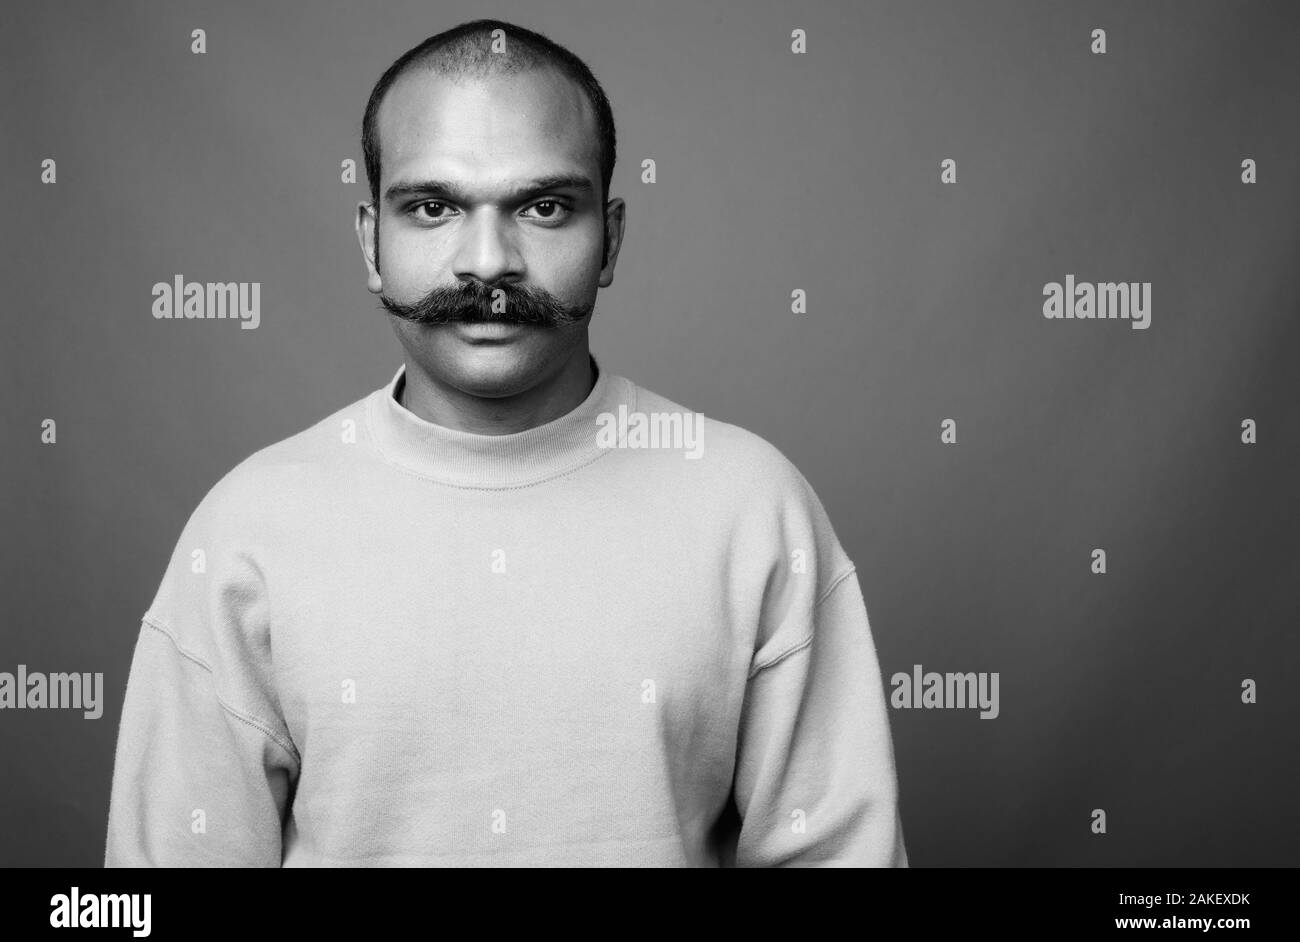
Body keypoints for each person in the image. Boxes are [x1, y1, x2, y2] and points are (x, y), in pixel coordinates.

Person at [104, 17, 908, 867]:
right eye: (433, 207)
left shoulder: (752, 505)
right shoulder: (245, 531)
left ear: (612, 240)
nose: (488, 264)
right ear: (370, 241)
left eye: (545, 205)